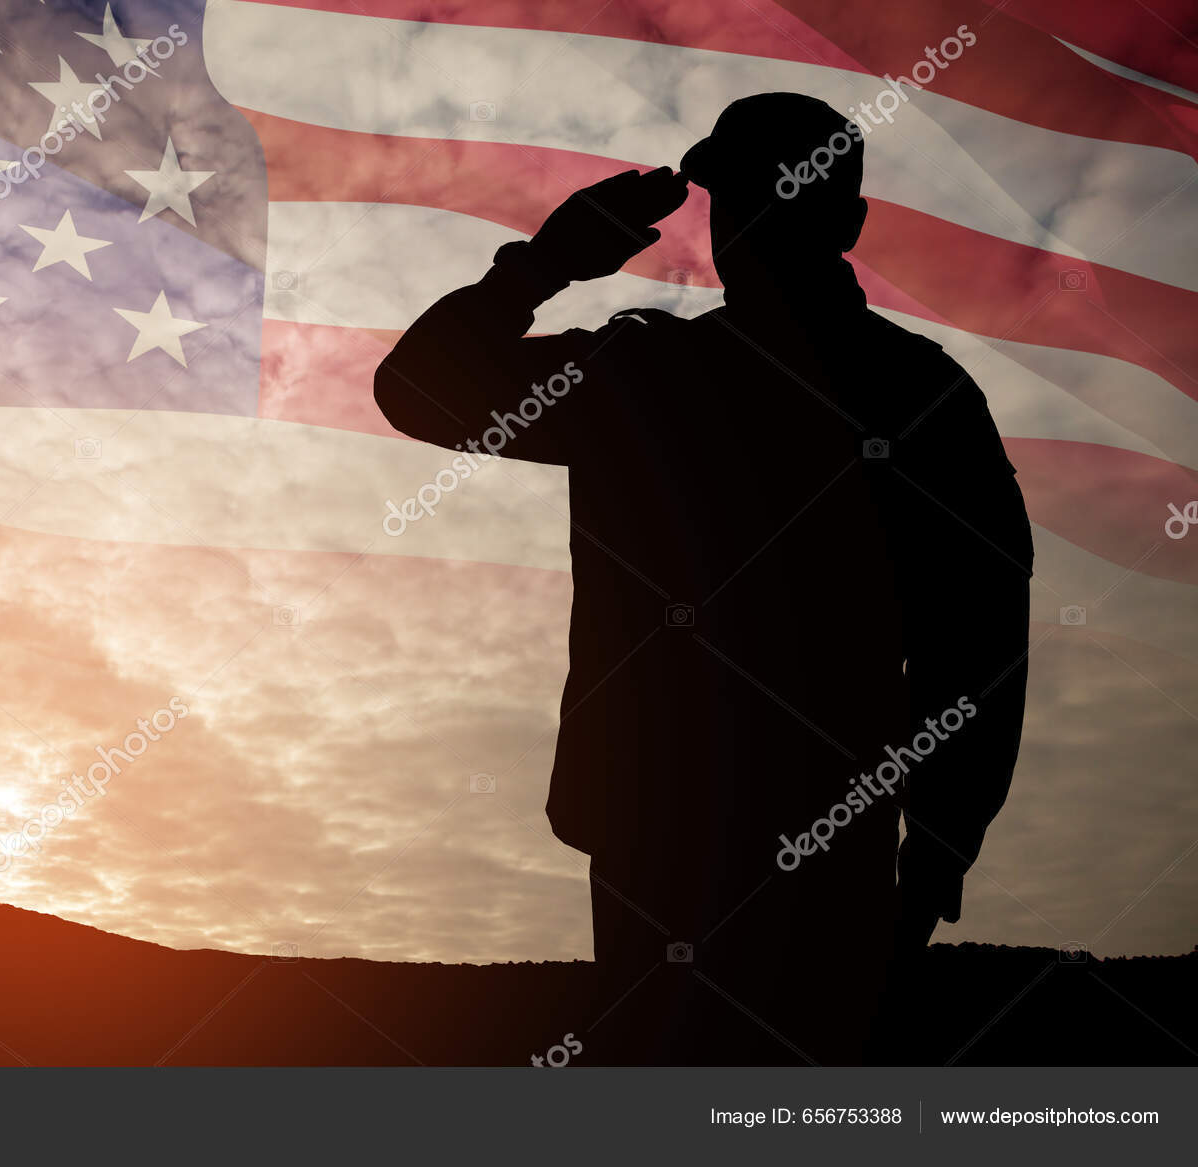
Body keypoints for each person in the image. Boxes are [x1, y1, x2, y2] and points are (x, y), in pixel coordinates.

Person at [373, 93, 1033, 1063]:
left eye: (753, 202)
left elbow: (978, 638)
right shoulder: (901, 387)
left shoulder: (647, 378)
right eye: (739, 204)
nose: (745, 227)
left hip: (697, 838)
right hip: (757, 843)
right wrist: (935, 857)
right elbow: (979, 640)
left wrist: (549, 262)